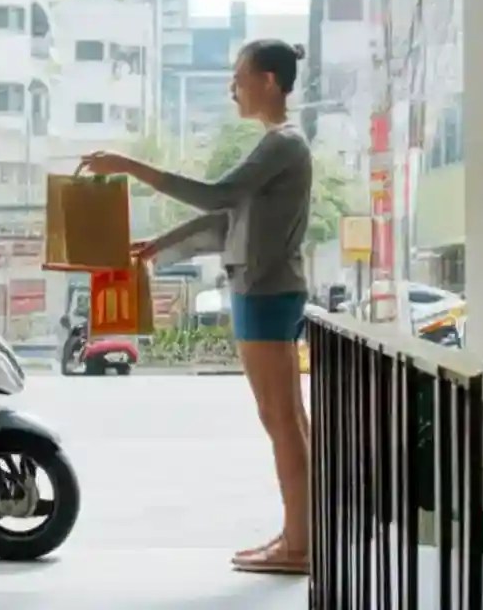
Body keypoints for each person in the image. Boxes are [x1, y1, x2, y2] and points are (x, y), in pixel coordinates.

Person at [81, 39, 313, 574]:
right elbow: (228, 219)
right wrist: (161, 245)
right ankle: (298, 534)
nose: (233, 88)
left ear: (269, 81)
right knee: (285, 417)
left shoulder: (283, 144)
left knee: (281, 418)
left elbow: (216, 196)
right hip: (263, 288)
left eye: (239, 77)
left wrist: (129, 165)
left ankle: (300, 545)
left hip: (266, 290)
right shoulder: (279, 144)